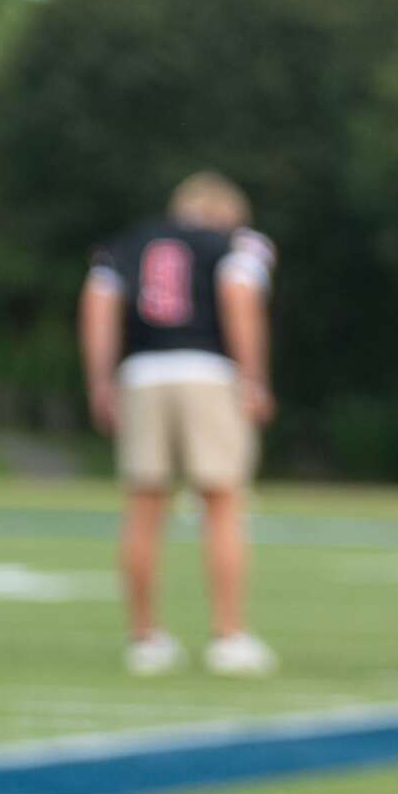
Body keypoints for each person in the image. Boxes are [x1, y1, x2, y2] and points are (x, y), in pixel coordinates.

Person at [81, 173, 279, 676]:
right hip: (207, 373)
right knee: (222, 503)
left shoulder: (127, 243)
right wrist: (253, 376)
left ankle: (145, 638)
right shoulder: (236, 244)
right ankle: (228, 636)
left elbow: (99, 308)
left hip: (143, 374)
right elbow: (240, 299)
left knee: (144, 508)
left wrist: (102, 381)